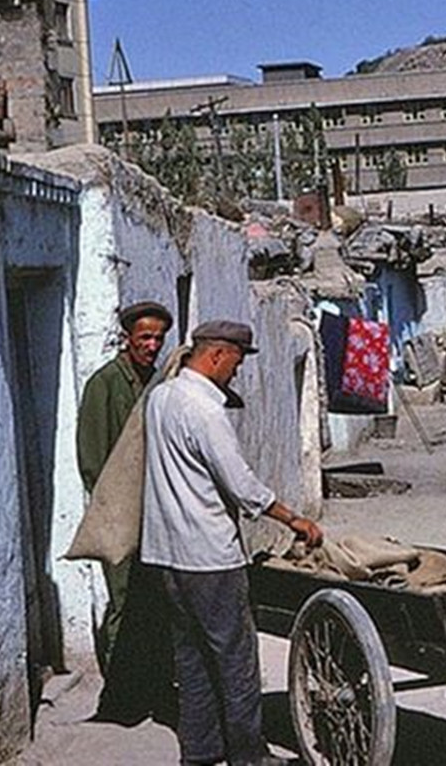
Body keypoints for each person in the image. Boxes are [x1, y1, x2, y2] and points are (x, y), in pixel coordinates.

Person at [142, 320, 323, 766]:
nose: (236, 373)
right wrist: (293, 519)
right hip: (209, 557)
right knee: (235, 659)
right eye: (236, 363)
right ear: (217, 355)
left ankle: (201, 753)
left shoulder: (160, 397)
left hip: (166, 553)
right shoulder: (205, 410)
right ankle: (249, 756)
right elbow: (241, 485)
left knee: (192, 659)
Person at [75, 300, 173, 696]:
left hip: (154, 512)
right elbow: (93, 457)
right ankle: (121, 690)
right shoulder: (105, 384)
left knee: (154, 601)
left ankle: (155, 683)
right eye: (145, 337)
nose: (152, 345)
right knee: (123, 601)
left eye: (158, 338)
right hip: (119, 513)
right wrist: (115, 507)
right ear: (128, 338)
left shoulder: (158, 382)